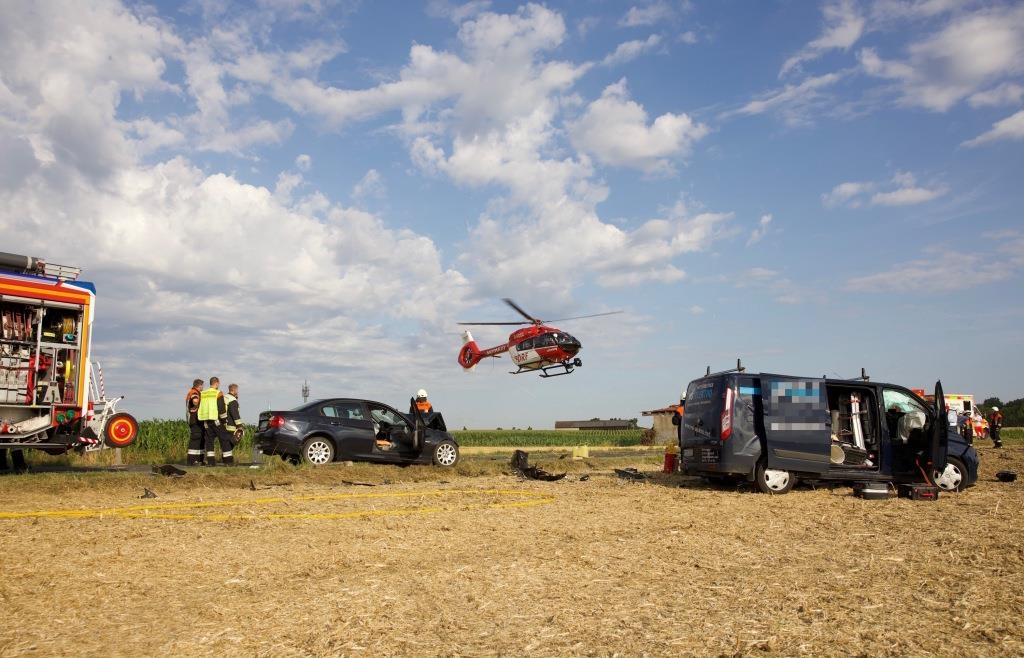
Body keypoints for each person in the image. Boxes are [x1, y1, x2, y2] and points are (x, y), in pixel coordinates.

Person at [197, 376, 235, 465]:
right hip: (216, 420)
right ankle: (228, 461)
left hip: (205, 421)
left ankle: (210, 462)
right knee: (224, 439)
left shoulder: (203, 393)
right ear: (217, 383)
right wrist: (224, 419)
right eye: (219, 383)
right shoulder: (218, 393)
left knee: (209, 441)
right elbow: (221, 408)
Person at [185, 378, 205, 466]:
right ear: (199, 385)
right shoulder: (194, 392)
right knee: (196, 439)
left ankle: (199, 460)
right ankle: (191, 461)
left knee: (200, 439)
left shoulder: (193, 392)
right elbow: (195, 401)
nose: (203, 387)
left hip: (196, 419)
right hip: (194, 419)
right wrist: (203, 403)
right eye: (202, 386)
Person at [224, 383, 245, 463]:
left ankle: (226, 459)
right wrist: (239, 425)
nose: (238, 392)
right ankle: (228, 461)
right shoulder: (232, 400)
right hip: (231, 425)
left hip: (223, 424)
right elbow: (235, 414)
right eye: (237, 390)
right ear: (234, 390)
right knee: (231, 442)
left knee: (226, 442)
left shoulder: (225, 397)